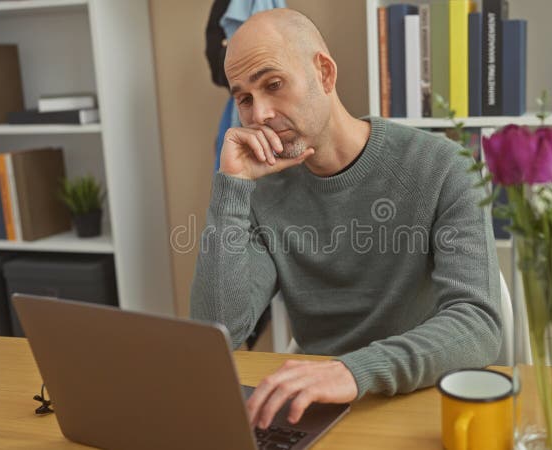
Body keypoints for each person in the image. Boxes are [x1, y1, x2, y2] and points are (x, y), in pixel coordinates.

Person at [190, 8, 502, 431]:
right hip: (317, 412)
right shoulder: (260, 191)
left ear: (324, 73)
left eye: (273, 84)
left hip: (418, 403)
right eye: (244, 98)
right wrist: (231, 187)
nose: (259, 113)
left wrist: (353, 371)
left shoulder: (445, 166)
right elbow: (221, 327)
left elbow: (477, 324)